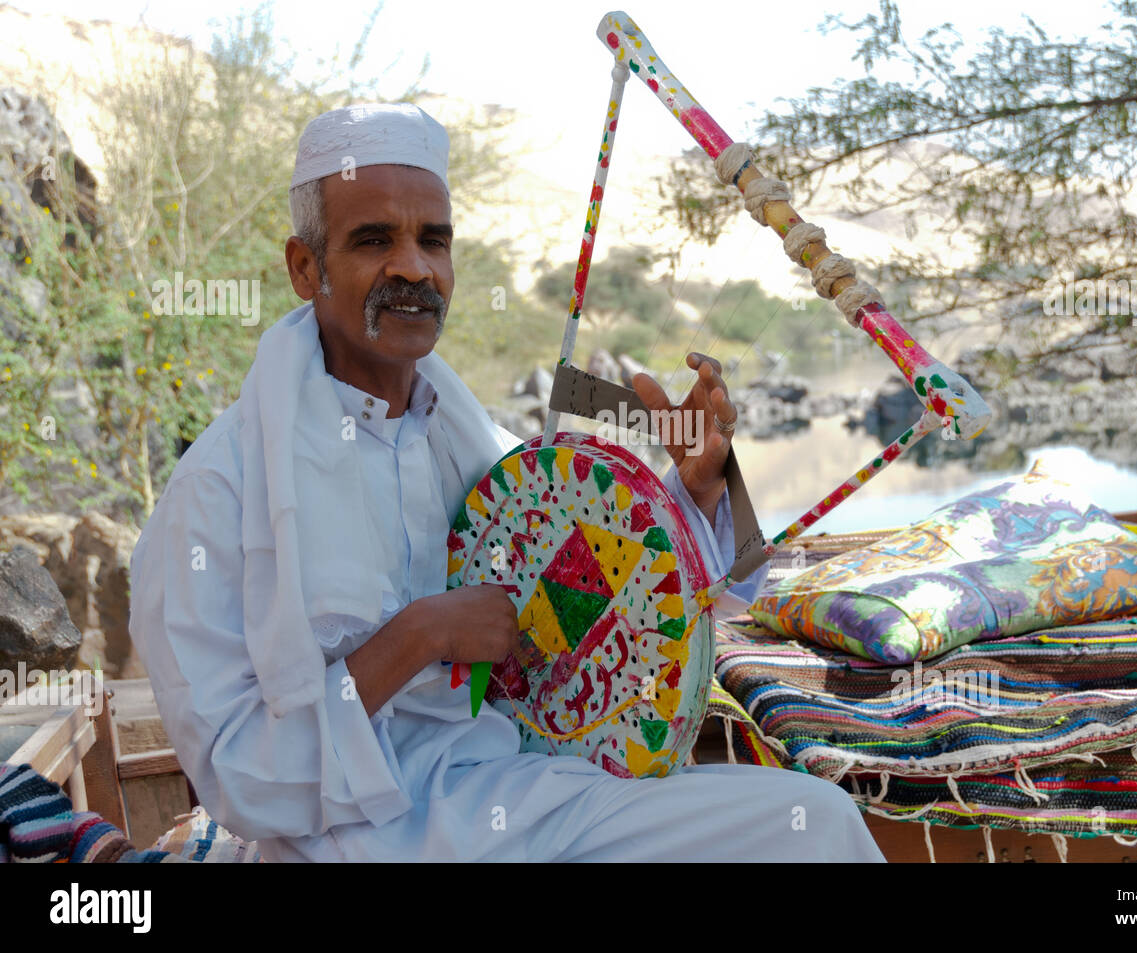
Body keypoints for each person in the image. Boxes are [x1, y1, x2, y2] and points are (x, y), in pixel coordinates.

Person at [127, 103, 886, 862]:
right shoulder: (217, 494)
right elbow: (239, 782)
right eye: (373, 240)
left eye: (433, 240)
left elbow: (595, 596)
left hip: (513, 791)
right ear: (305, 268)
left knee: (811, 823)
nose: (413, 268)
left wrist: (689, 495)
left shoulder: (476, 447)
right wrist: (419, 636)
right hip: (347, 841)